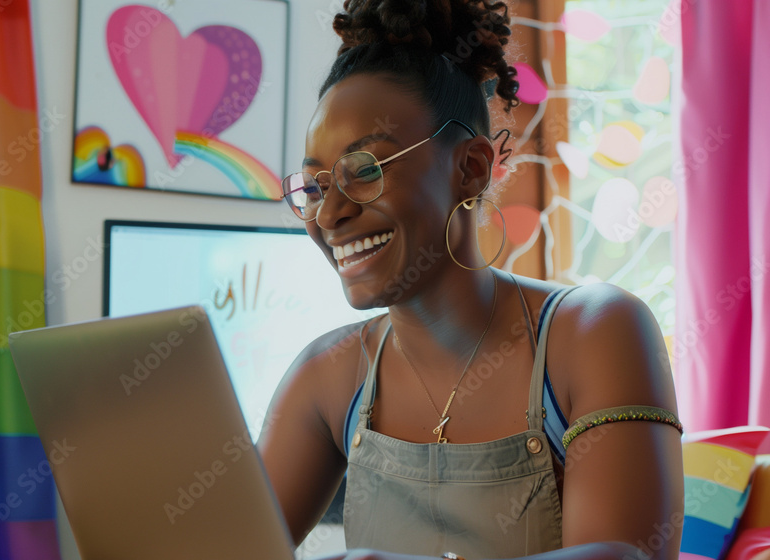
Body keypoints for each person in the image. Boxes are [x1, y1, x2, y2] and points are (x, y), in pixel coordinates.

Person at [257, 1, 685, 559]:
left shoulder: (596, 332)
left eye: (364, 171)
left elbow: (628, 556)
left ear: (472, 168)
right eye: (313, 187)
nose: (329, 213)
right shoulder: (326, 377)